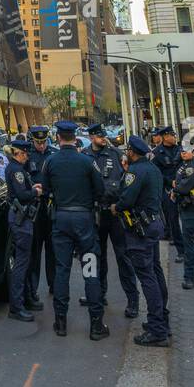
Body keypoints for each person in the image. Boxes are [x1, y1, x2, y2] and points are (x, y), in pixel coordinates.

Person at [40, 119, 106, 340]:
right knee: (90, 270)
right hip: (84, 220)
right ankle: (96, 325)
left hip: (62, 219)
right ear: (75, 138)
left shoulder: (50, 162)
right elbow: (100, 190)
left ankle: (60, 322)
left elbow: (46, 190)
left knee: (62, 270)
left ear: (58, 138)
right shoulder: (87, 162)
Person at [112, 135, 170, 346]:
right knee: (155, 271)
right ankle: (163, 319)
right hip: (154, 224)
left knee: (147, 277)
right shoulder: (153, 169)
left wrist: (115, 207)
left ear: (131, 152)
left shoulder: (135, 172)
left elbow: (126, 198)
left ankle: (157, 329)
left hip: (140, 229)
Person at [79, 123, 139, 320]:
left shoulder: (114, 153)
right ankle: (98, 294)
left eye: (103, 135)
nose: (102, 139)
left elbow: (126, 179)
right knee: (97, 256)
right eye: (98, 136)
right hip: (95, 213)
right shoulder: (84, 155)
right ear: (91, 137)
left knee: (123, 256)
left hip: (114, 213)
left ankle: (133, 300)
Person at [4, 140, 41, 322]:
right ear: (20, 153)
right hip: (21, 219)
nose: (28, 158)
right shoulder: (16, 170)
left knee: (24, 261)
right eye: (26, 154)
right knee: (21, 264)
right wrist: (35, 192)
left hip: (22, 218)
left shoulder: (15, 168)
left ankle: (24, 299)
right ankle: (16, 307)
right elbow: (22, 195)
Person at [24, 125, 56, 307]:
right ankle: (33, 287)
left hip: (50, 205)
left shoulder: (53, 154)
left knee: (52, 248)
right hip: (35, 207)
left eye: (43, 142)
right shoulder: (28, 156)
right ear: (33, 141)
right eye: (38, 142)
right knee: (35, 250)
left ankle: (54, 283)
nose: (41, 145)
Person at [172, 143, 194, 289]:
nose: (183, 154)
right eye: (182, 152)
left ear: (193, 152)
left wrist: (175, 188)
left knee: (189, 243)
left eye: (186, 152)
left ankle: (189, 277)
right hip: (186, 206)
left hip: (190, 207)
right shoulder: (184, 165)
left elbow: (183, 186)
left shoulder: (192, 168)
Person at [152, 128, 184, 262]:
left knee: (188, 223)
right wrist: (170, 182)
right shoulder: (157, 153)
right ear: (165, 137)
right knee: (173, 221)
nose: (174, 137)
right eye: (172, 135)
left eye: (175, 135)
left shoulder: (181, 149)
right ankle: (181, 250)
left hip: (184, 189)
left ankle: (192, 248)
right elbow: (157, 173)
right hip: (168, 190)